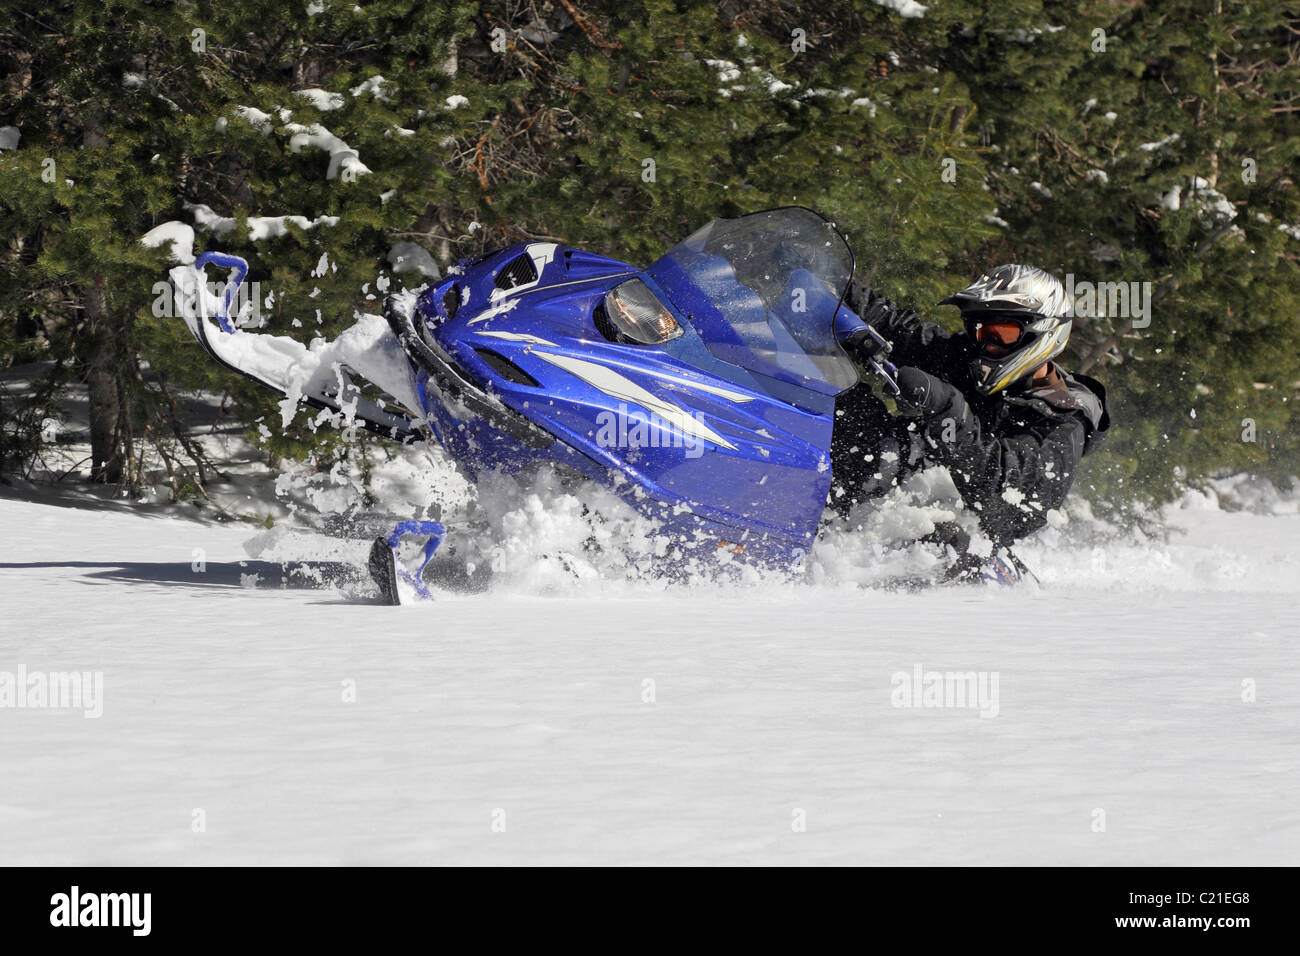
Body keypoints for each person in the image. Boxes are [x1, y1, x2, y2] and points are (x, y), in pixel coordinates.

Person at [832, 264, 1111, 555]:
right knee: (844, 404)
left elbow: (1009, 506)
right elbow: (897, 330)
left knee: (938, 543)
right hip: (894, 490)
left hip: (972, 545)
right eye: (979, 330)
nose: (985, 343)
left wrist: (948, 409)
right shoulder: (970, 356)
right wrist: (832, 282)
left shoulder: (1064, 421)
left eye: (1000, 333)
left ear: (1042, 331)